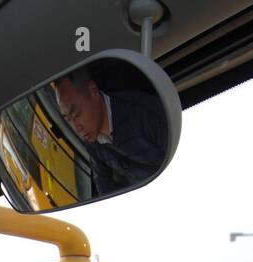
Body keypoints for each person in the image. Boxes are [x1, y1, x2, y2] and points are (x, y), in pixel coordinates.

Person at [52, 67, 168, 196]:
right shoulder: (93, 142)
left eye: (77, 113)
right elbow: (103, 186)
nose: (76, 128)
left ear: (93, 91)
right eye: (68, 119)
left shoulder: (143, 113)